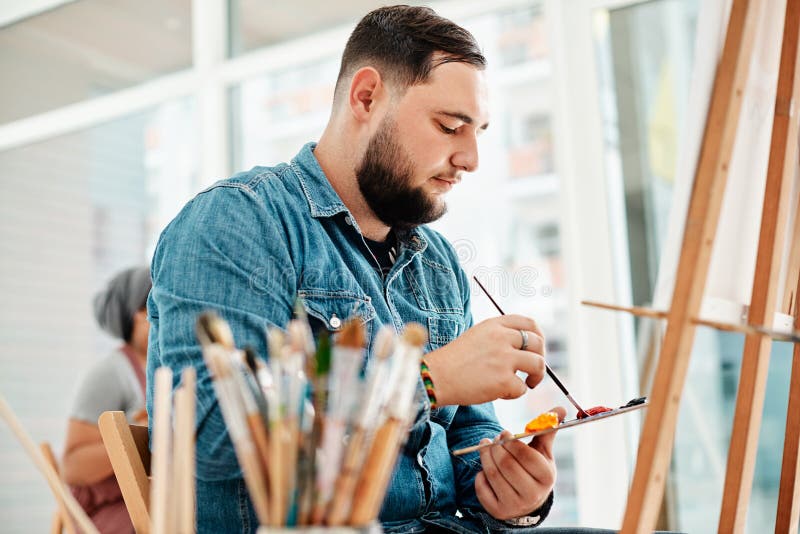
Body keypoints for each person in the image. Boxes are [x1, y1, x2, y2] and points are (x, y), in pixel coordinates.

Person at [148, 6, 562, 533]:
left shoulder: (438, 263)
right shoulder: (238, 223)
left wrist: (513, 493)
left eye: (477, 131)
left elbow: (466, 446)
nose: (471, 158)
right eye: (450, 126)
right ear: (366, 96)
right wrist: (428, 382)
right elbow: (215, 434)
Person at [62, 266, 151, 534]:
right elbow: (72, 466)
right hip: (112, 514)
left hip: (145, 506)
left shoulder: (159, 369)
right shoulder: (109, 373)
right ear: (137, 316)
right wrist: (132, 437)